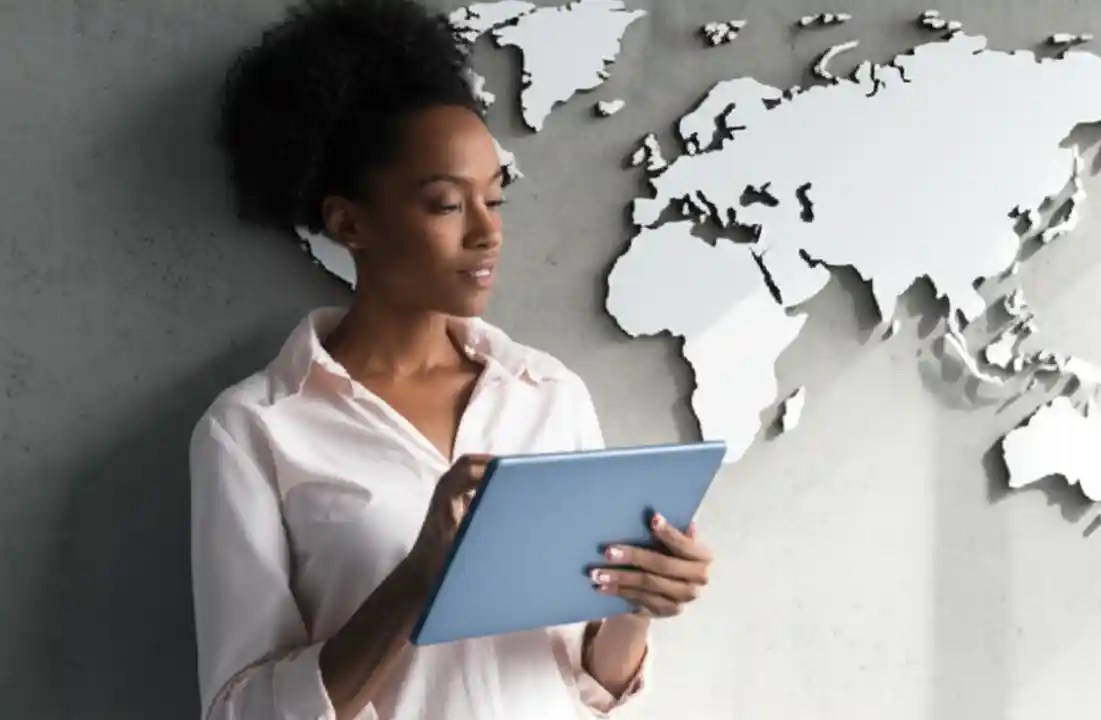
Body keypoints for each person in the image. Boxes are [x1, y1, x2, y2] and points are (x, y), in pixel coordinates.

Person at [190, 1, 715, 718]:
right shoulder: (254, 428)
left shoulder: (548, 394)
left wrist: (639, 604)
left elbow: (589, 688)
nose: (486, 234)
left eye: (495, 201)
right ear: (349, 222)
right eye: (445, 205)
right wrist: (418, 579)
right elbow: (238, 711)